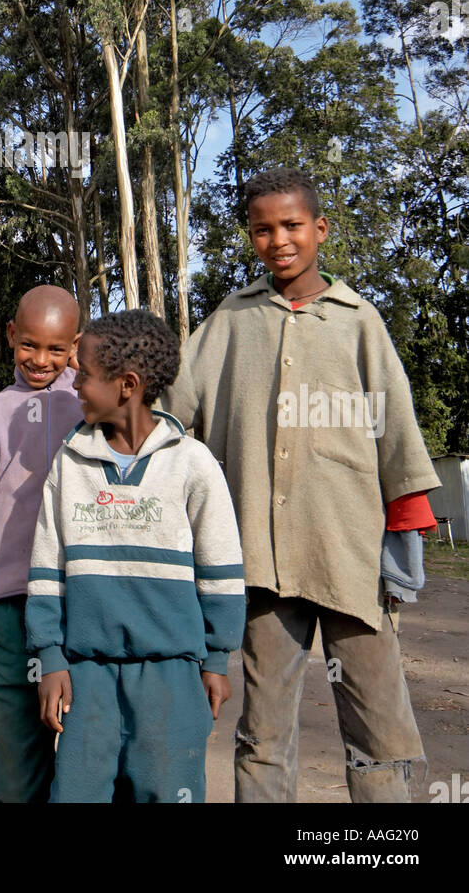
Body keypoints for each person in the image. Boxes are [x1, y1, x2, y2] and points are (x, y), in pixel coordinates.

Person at [163, 166, 441, 804]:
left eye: (292, 225)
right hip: (259, 561)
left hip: (349, 554)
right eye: (262, 229)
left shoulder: (357, 321)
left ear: (320, 229)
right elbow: (177, 412)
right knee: (263, 730)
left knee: (381, 725)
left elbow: (395, 429)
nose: (278, 240)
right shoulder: (231, 321)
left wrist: (402, 541)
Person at [26, 309, 245, 804]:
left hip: (173, 677)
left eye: (83, 371)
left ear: (127, 384)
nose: (74, 381)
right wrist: (50, 656)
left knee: (169, 791)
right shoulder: (69, 463)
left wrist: (216, 659)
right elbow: (46, 569)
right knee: (77, 793)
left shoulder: (193, 463)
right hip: (87, 676)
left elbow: (222, 572)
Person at [0, 284, 82, 803]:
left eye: (56, 349)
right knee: (13, 741)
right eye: (29, 344)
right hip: (9, 598)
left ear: (75, 346)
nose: (41, 359)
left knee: (80, 745)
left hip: (79, 596)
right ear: (11, 336)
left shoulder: (88, 404)